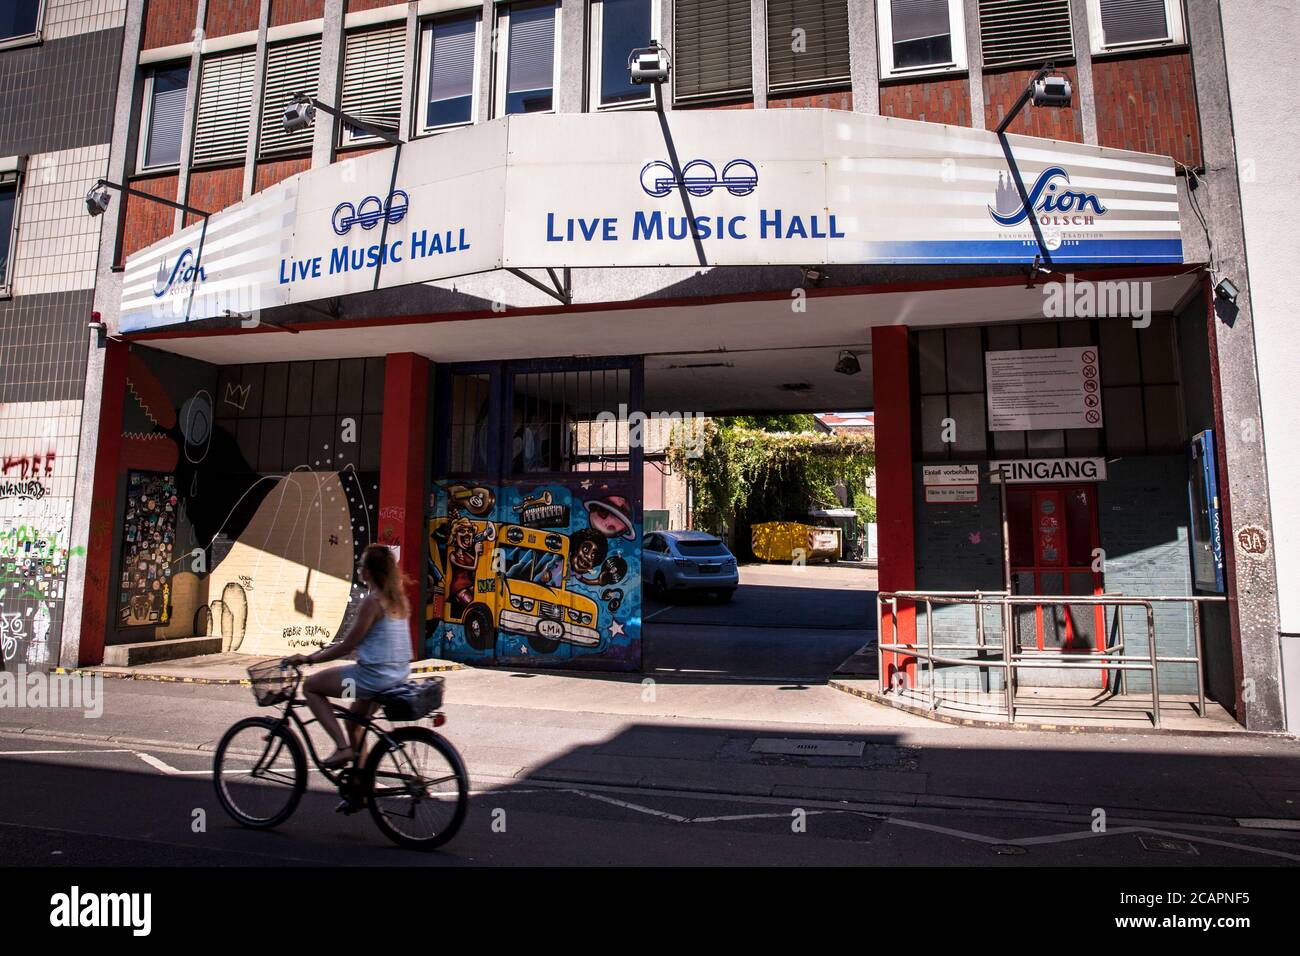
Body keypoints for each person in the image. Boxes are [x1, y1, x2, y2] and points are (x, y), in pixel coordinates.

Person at [284, 544, 412, 768]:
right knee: (355, 723)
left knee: (311, 687)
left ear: (369, 572)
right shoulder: (398, 600)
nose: (358, 568)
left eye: (361, 564)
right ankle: (361, 787)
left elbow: (347, 646)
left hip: (370, 679)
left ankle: (343, 748)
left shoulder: (373, 603)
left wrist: (309, 659)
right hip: (396, 676)